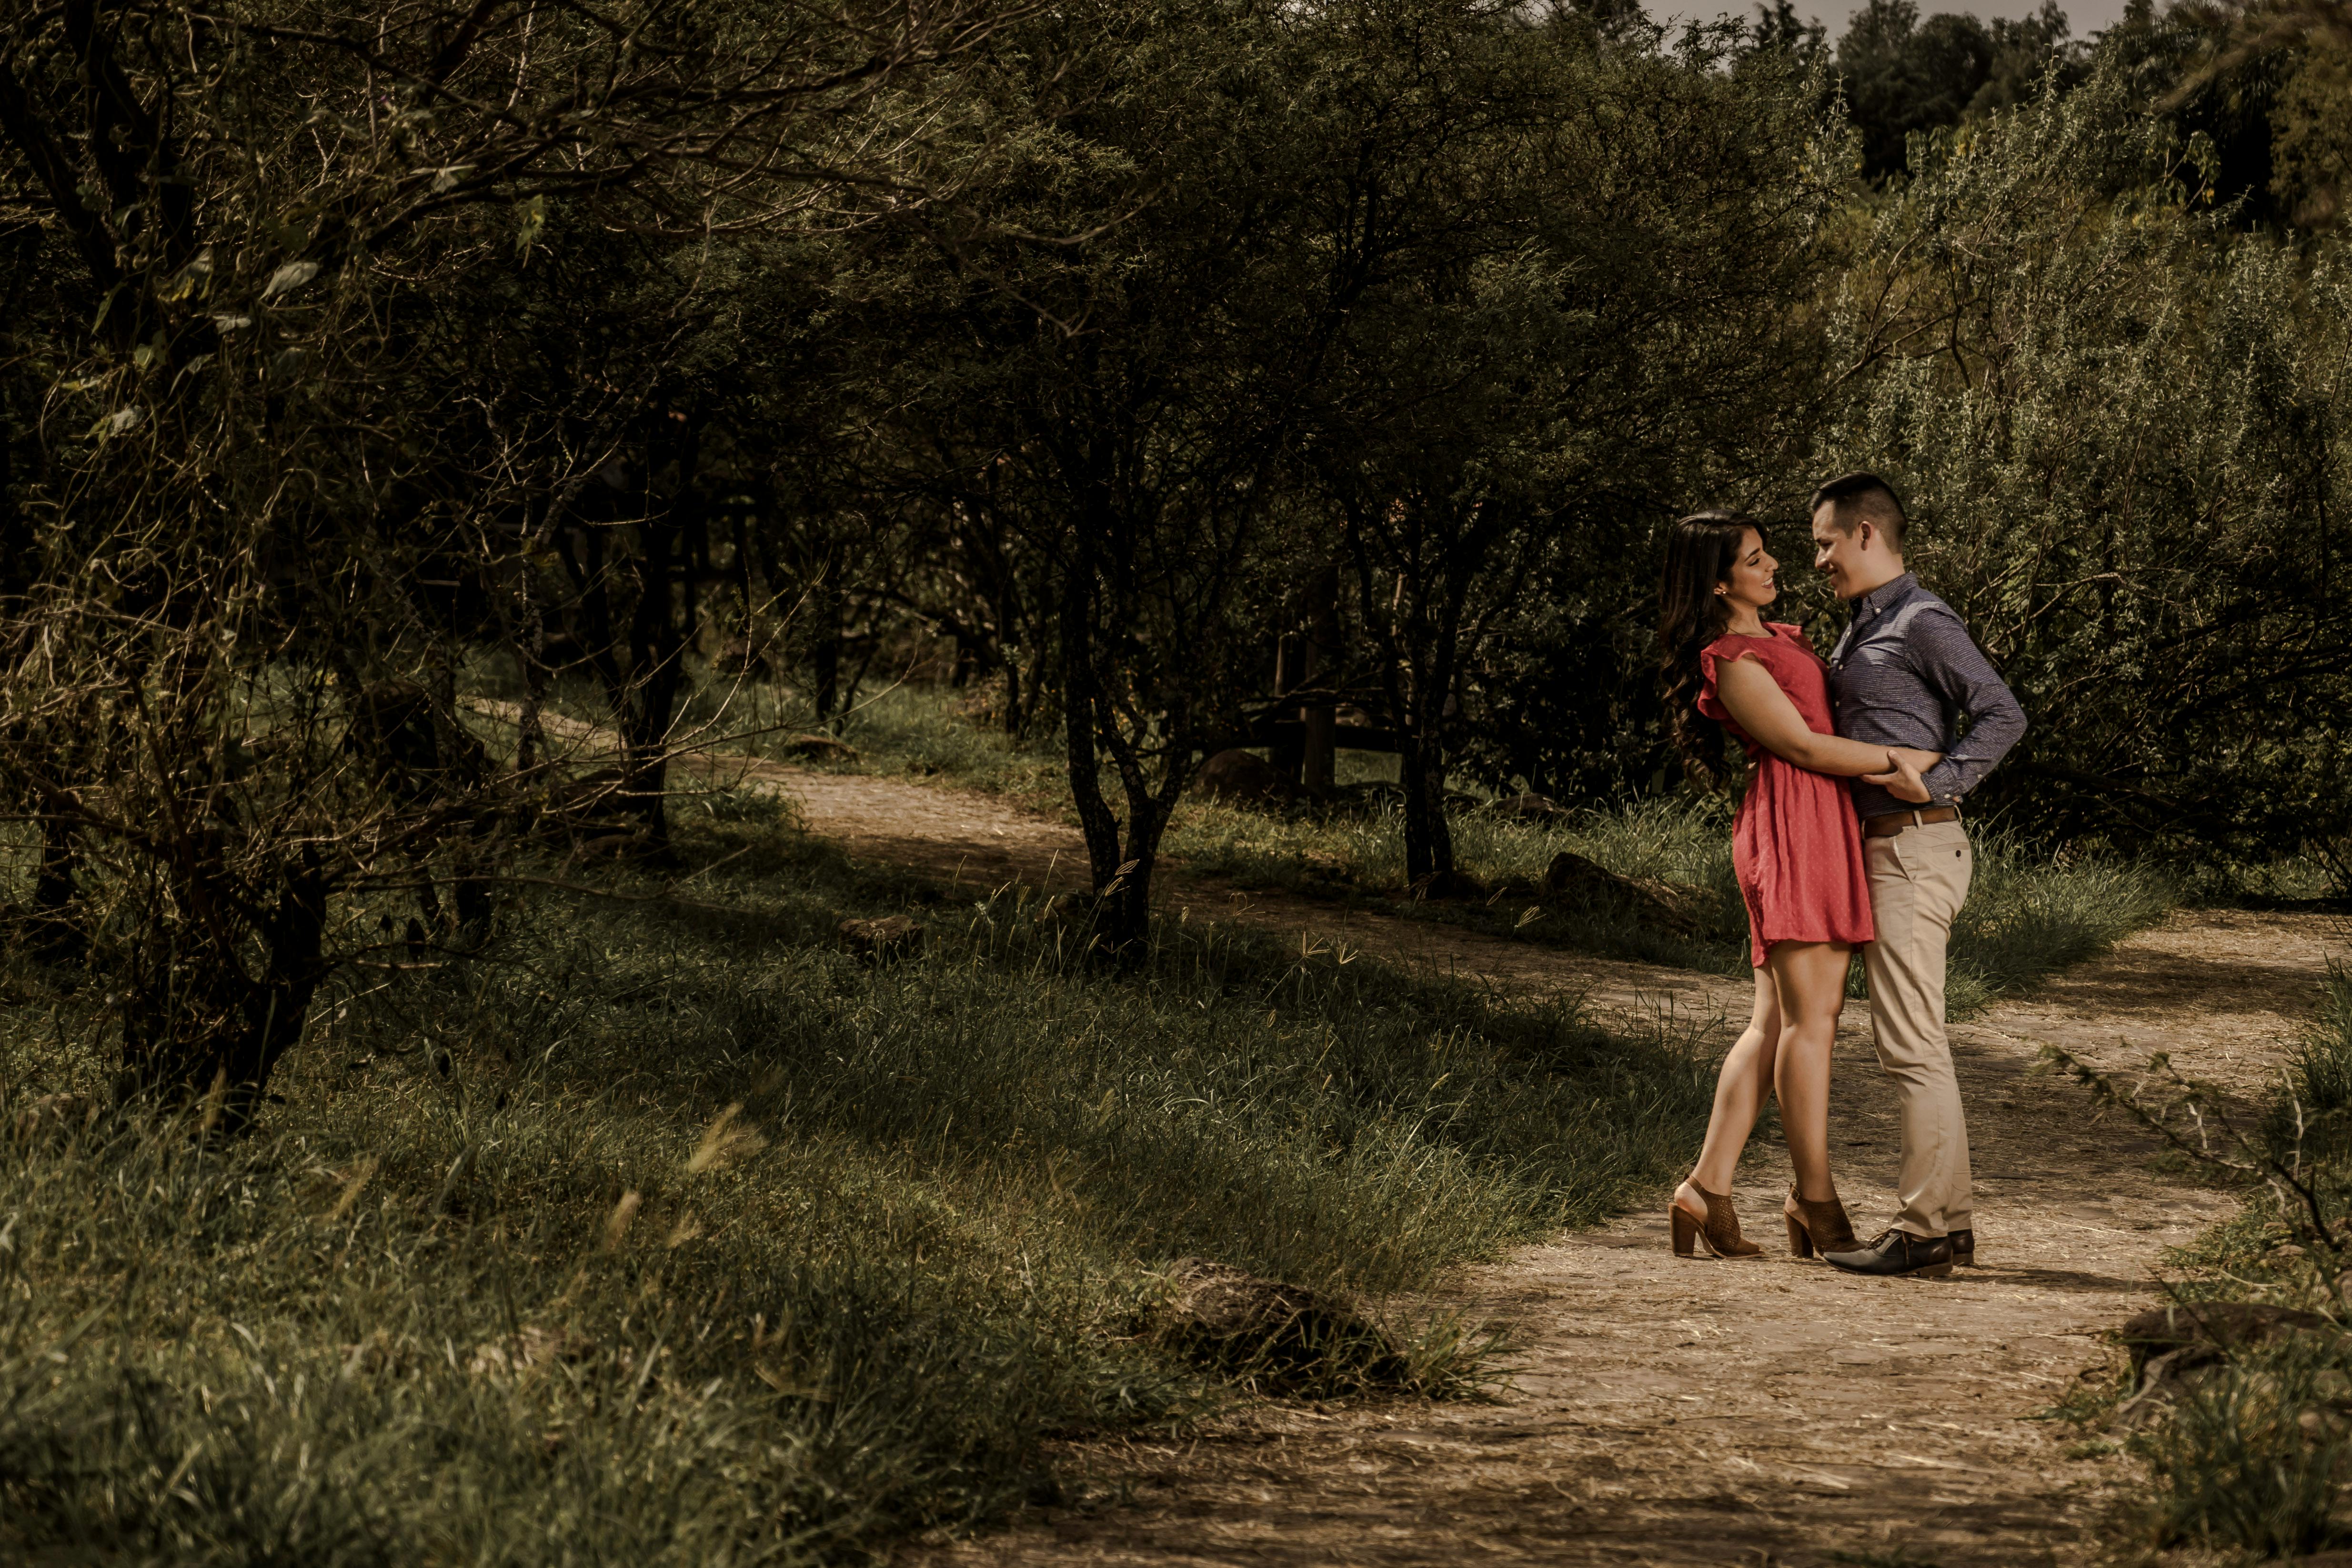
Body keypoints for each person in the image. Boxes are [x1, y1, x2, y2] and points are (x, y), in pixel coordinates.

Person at [1657, 513, 1942, 1262]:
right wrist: (1902, 760)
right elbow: (1801, 745)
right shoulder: (1732, 656)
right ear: (1719, 582)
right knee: (1810, 1022)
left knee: (1778, 1019)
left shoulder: (1782, 637)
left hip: (1820, 821)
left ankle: (1706, 1188)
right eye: (1755, 559)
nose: (1774, 563)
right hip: (1793, 826)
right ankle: (1813, 1196)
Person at [1809, 473, 2026, 1280]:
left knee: (1910, 1044)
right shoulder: (1861, 626)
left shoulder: (1921, 620)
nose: (1820, 559)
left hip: (1913, 845)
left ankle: (1924, 1227)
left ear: (1867, 533)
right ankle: (1951, 1223)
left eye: (1825, 543)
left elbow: (2003, 711)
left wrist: (1937, 782)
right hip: (1889, 848)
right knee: (1913, 1040)